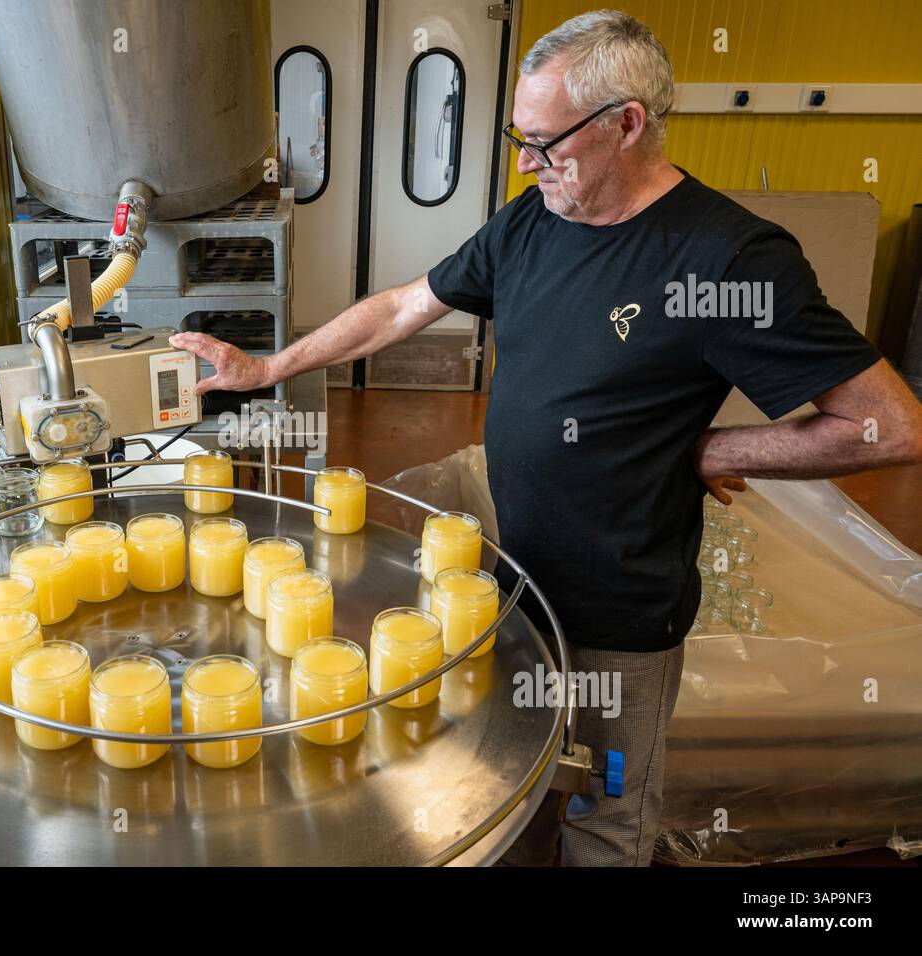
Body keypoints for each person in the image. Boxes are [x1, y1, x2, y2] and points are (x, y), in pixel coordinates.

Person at [169, 10, 922, 865]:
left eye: (544, 142)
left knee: (605, 813)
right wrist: (268, 369)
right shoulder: (532, 222)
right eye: (516, 138)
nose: (525, 162)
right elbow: (406, 306)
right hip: (512, 585)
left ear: (627, 124)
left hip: (619, 614)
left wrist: (715, 451)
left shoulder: (728, 260)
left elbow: (889, 426)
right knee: (514, 780)